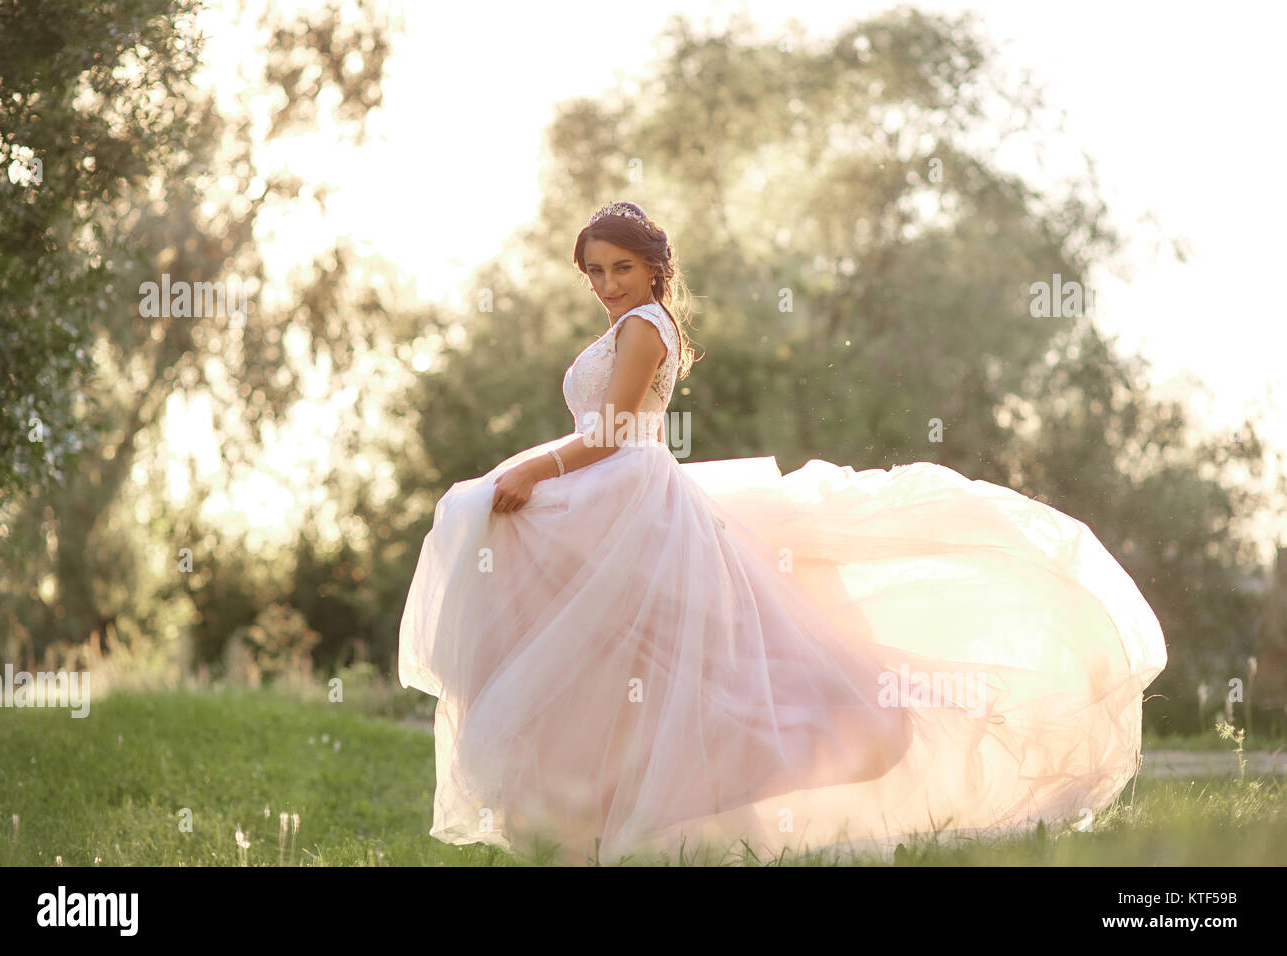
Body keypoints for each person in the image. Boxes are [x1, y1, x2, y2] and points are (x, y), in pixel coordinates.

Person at [398, 200, 1167, 865]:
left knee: (674, 654)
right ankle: (588, 816)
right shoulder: (628, 324)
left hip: (629, 490)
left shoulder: (643, 326)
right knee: (621, 661)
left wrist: (531, 473)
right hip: (614, 490)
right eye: (594, 273)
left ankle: (850, 735)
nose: (606, 287)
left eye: (619, 269)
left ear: (653, 271)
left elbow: (610, 432)